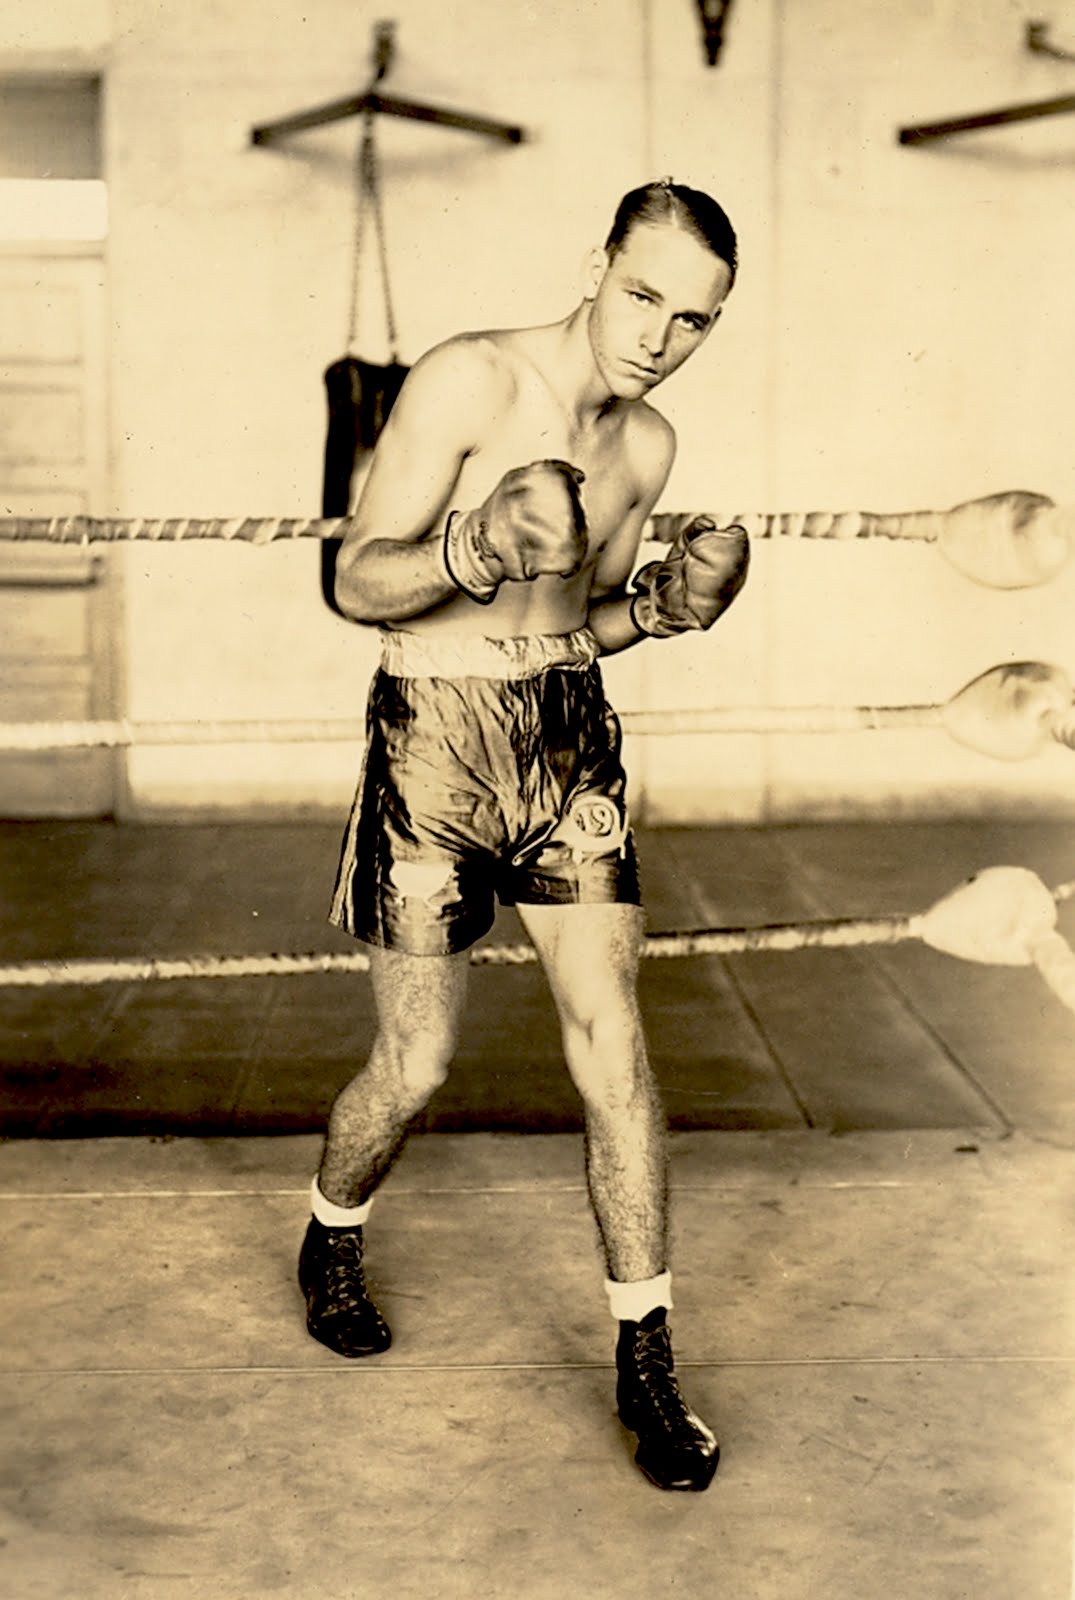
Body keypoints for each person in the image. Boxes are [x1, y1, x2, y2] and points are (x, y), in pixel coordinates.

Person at [299, 179, 749, 1493]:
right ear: (600, 263)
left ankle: (648, 1362)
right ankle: (333, 1232)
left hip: (567, 743)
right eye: (646, 293)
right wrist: (476, 541)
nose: (662, 334)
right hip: (433, 741)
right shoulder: (466, 382)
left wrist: (659, 611)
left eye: (697, 319)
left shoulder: (648, 450)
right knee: (419, 1058)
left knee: (615, 1044)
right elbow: (357, 578)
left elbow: (583, 620)